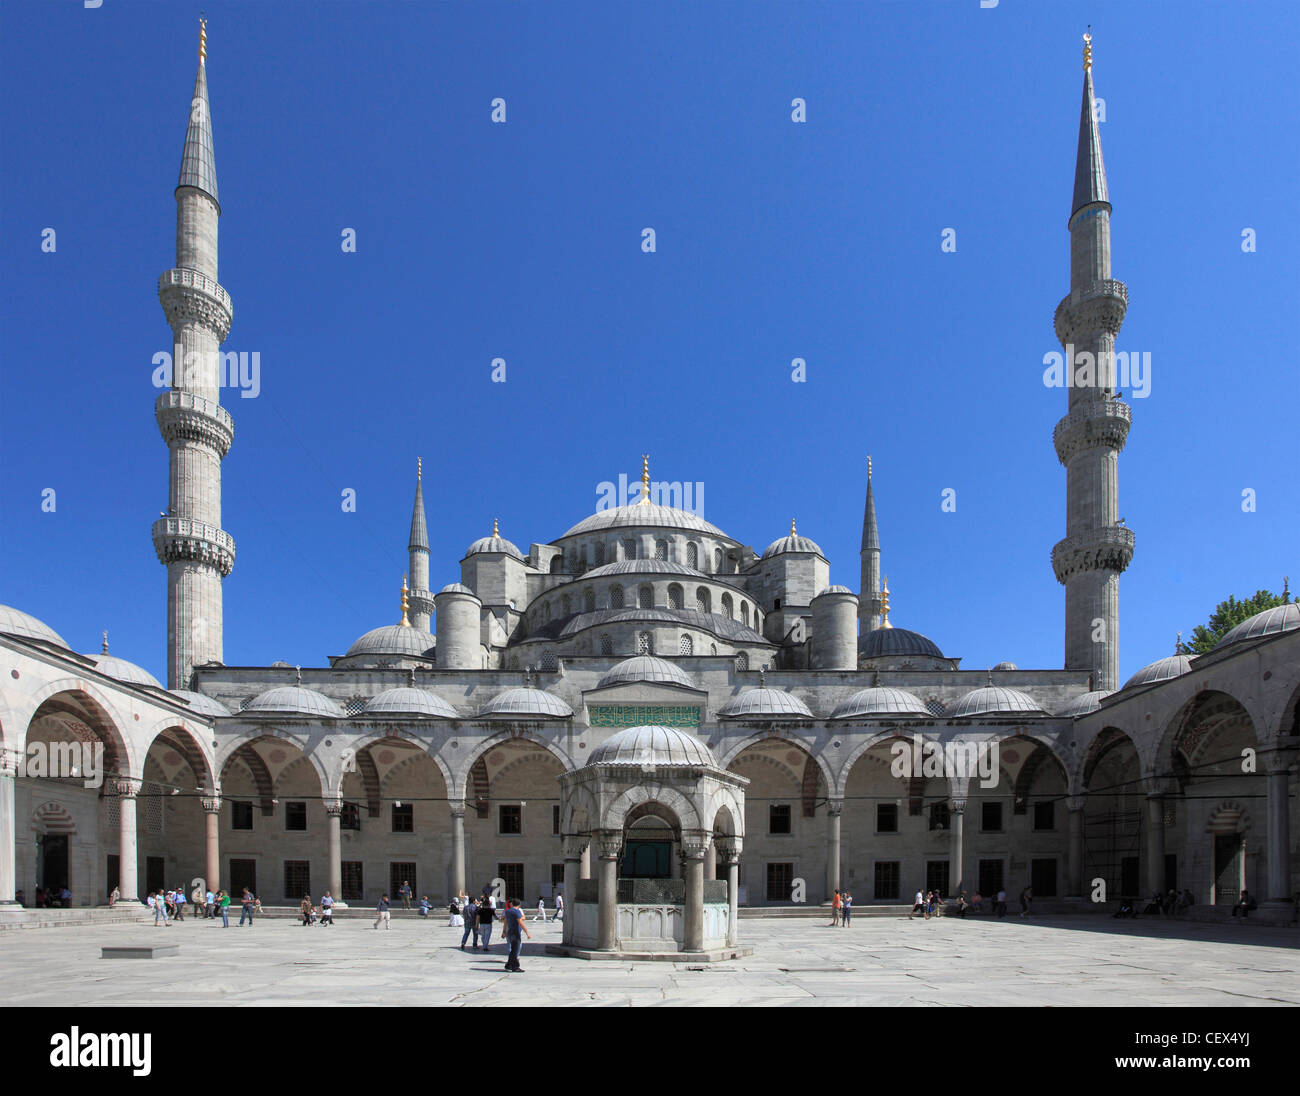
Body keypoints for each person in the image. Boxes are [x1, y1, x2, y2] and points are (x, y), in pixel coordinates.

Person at [503, 898, 531, 972]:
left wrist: (504, 931)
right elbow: (520, 922)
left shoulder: (507, 911)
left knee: (513, 949)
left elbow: (505, 921)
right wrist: (527, 932)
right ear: (519, 904)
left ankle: (508, 964)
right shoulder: (517, 912)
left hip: (509, 932)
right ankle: (515, 966)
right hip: (515, 932)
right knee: (515, 950)